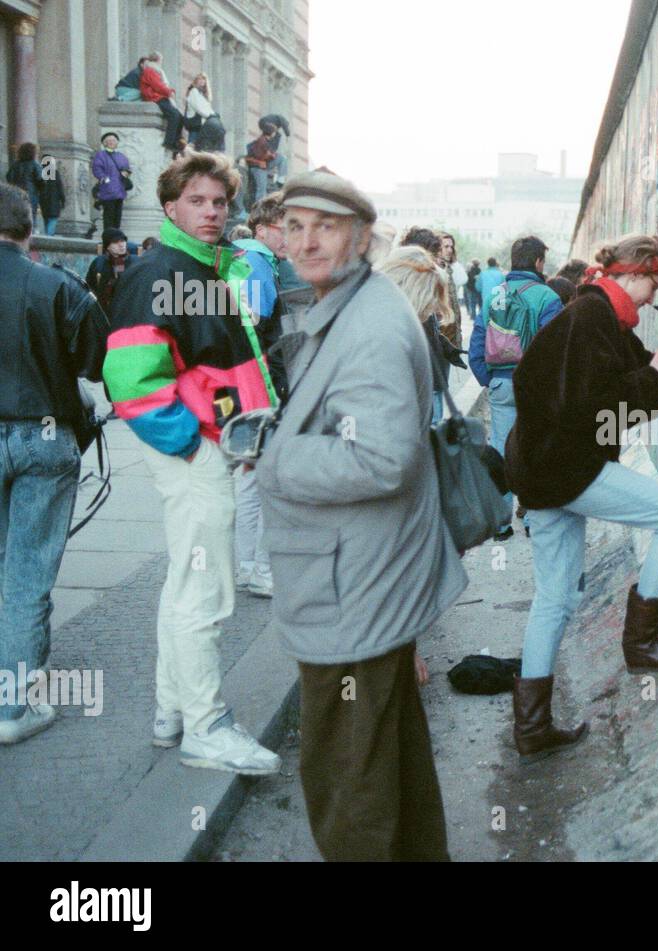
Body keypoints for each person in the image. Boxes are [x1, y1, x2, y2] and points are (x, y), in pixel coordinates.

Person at [256, 167, 468, 861]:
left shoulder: (369, 324)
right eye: (295, 226)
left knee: (349, 785)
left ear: (363, 237)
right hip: (359, 578)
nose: (307, 241)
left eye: (327, 226)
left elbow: (380, 459)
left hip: (353, 589)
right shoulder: (354, 305)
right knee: (388, 760)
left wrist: (272, 454)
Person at [101, 150, 281, 775]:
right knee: (205, 589)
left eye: (219, 202)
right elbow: (131, 381)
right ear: (171, 206)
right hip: (194, 451)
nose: (211, 212)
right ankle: (206, 726)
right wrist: (193, 443)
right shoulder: (163, 270)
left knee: (188, 582)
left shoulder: (199, 268)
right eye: (197, 201)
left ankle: (174, 710)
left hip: (204, 446)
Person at [503, 234, 658, 761]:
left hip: (543, 471)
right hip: (565, 468)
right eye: (654, 285)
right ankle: (642, 643)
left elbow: (640, 390)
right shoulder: (590, 319)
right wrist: (650, 377)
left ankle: (532, 728)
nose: (654, 296)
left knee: (555, 598)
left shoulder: (604, 317)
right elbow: (592, 409)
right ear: (634, 273)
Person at [0, 183, 109, 744]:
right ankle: (13, 705)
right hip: (44, 435)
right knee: (27, 574)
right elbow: (96, 359)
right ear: (29, 228)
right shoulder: (57, 284)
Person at [468, 235, 562, 541]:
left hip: (500, 383)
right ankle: (534, 519)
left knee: (500, 451)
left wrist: (489, 379)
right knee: (533, 450)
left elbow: (477, 343)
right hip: (534, 387)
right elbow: (554, 349)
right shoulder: (547, 297)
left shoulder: (494, 294)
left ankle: (500, 524)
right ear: (538, 262)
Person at [231, 192, 290, 598]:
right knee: (265, 480)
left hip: (251, 386)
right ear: (263, 229)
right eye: (285, 229)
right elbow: (252, 333)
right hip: (259, 386)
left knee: (252, 477)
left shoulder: (251, 260)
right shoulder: (256, 264)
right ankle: (259, 569)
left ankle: (248, 566)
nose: (290, 238)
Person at [377, 245, 464, 425]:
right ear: (413, 292)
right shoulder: (378, 336)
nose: (433, 308)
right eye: (431, 298)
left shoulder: (405, 329)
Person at [138, 53, 184, 153]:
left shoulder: (153, 70)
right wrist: (170, 92)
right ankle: (169, 142)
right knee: (174, 115)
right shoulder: (150, 70)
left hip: (159, 96)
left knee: (180, 116)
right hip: (154, 97)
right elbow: (158, 85)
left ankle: (177, 141)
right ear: (158, 60)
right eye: (161, 60)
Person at [84, 228, 134, 311]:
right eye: (115, 242)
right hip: (103, 310)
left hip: (128, 311)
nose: (121, 245)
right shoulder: (99, 263)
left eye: (123, 241)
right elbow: (89, 287)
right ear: (107, 246)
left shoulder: (134, 262)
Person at [91, 133, 131, 232]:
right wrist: (105, 179)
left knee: (117, 217)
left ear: (117, 142)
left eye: (113, 140)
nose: (111, 142)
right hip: (108, 191)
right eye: (109, 141)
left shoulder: (121, 156)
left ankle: (115, 236)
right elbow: (97, 169)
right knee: (108, 217)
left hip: (120, 190)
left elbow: (127, 168)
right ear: (105, 143)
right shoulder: (101, 155)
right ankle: (109, 237)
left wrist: (126, 173)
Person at [184, 73, 225, 154]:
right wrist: (211, 115)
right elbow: (199, 108)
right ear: (196, 81)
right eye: (200, 79)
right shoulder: (194, 92)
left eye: (204, 79)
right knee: (192, 150)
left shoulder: (201, 94)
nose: (202, 81)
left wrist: (213, 114)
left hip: (201, 126)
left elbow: (207, 108)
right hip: (196, 125)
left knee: (197, 150)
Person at [245, 120, 281, 205]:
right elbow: (260, 156)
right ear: (271, 132)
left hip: (259, 167)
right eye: (274, 132)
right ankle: (258, 208)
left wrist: (271, 154)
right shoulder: (262, 141)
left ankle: (280, 177)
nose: (274, 134)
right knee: (261, 190)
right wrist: (271, 155)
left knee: (261, 190)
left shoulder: (263, 140)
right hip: (258, 167)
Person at [5, 142, 41, 223]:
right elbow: (40, 179)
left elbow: (9, 177)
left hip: (16, 193)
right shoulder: (34, 164)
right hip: (31, 194)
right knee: (31, 215)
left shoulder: (15, 165)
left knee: (17, 215)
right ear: (33, 153)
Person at [36, 153, 65, 236]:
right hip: (54, 201)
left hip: (43, 201)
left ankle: (47, 235)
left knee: (46, 220)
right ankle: (49, 237)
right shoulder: (55, 173)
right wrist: (63, 200)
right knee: (53, 219)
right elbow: (60, 188)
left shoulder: (40, 172)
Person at [476, 256, 505, 321]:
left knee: (486, 319)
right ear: (495, 263)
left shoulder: (482, 274)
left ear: (488, 264)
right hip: (497, 301)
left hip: (485, 300)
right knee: (497, 320)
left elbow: (478, 287)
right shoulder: (501, 274)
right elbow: (504, 288)